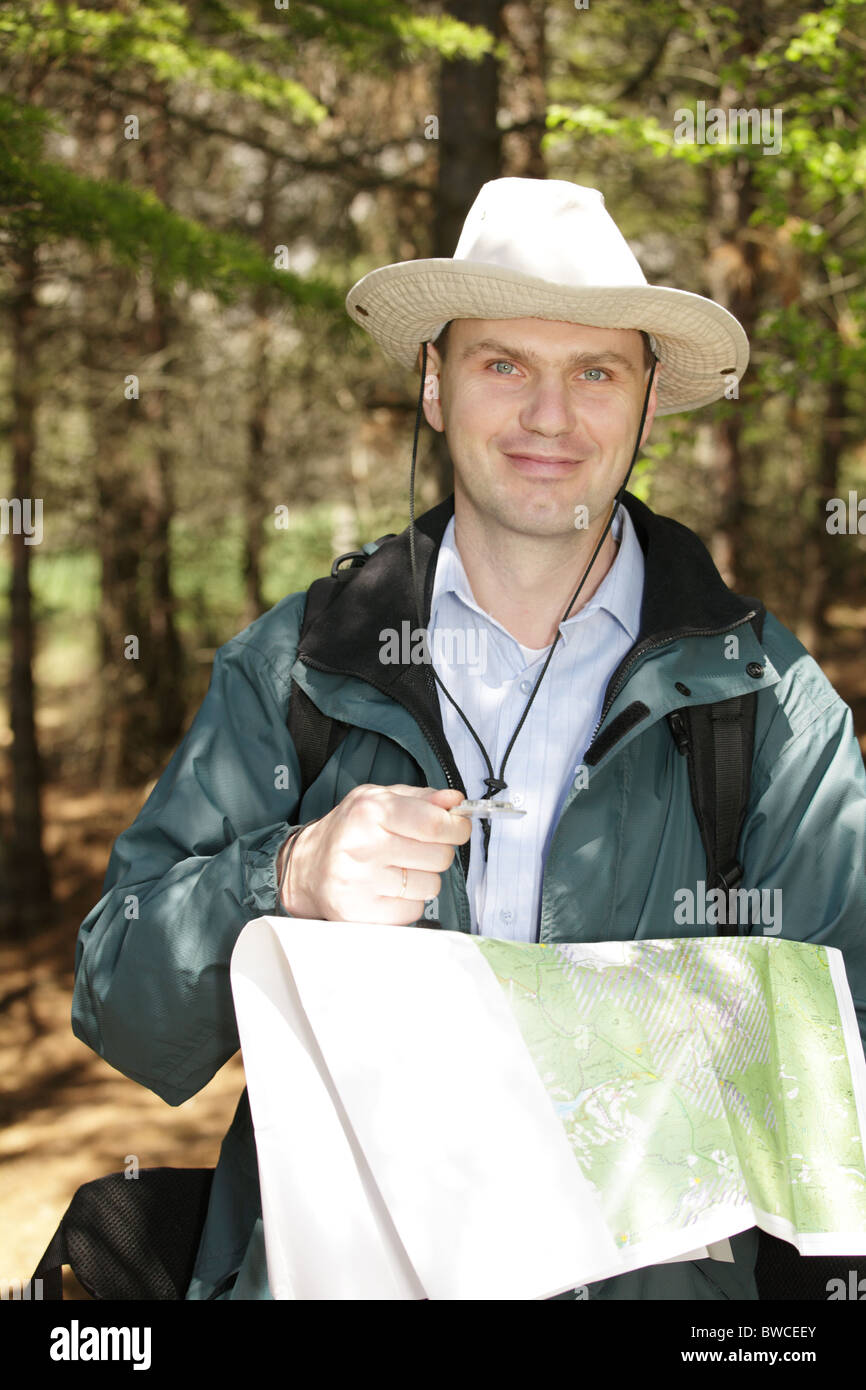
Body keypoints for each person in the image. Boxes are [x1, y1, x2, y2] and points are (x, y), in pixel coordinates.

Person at [72, 177, 866, 1301]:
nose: (550, 416)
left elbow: (853, 1043)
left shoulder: (764, 697)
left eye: (594, 371)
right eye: (503, 364)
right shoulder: (299, 663)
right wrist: (281, 874)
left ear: (647, 403)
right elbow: (117, 1000)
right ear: (434, 386)